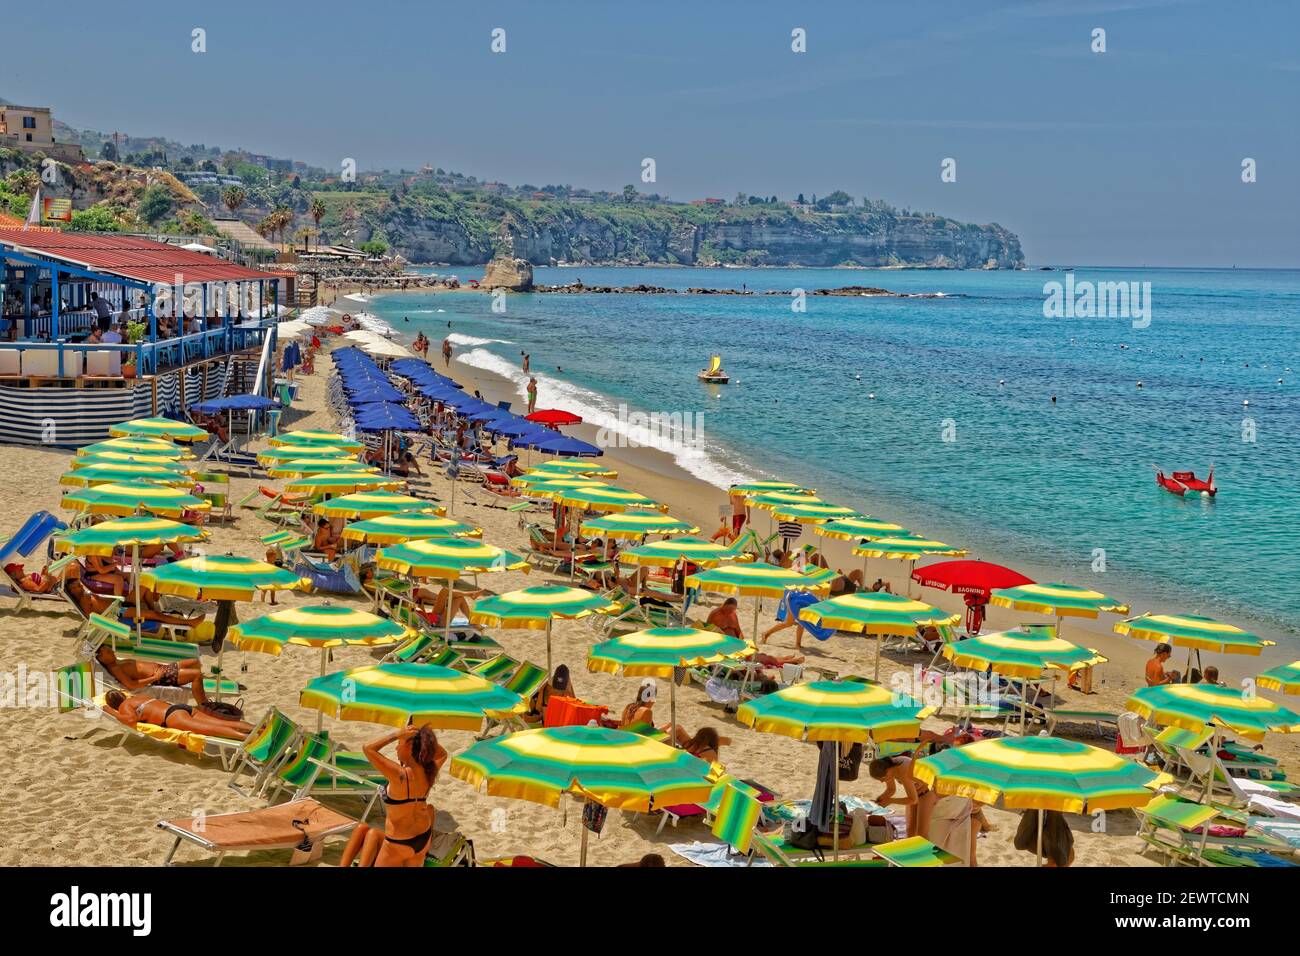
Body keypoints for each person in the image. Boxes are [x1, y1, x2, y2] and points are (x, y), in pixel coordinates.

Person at [340, 725, 447, 867]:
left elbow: (368, 748)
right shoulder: (429, 772)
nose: (396, 748)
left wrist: (396, 735)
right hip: (422, 838)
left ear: (409, 746)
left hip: (399, 841)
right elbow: (443, 754)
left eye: (398, 745)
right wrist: (422, 736)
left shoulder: (400, 775)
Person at [101, 689, 252, 740]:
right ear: (122, 694)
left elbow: (130, 719)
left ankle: (246, 738)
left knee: (213, 729)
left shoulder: (125, 706)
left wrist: (110, 711)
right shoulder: (136, 698)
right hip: (181, 708)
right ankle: (257, 727)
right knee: (220, 722)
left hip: (172, 717)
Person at [868, 741, 939, 838]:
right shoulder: (889, 766)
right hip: (915, 794)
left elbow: (913, 800)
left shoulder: (904, 770)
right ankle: (912, 852)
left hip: (927, 793)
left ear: (888, 771)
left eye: (882, 778)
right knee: (910, 831)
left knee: (921, 834)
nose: (882, 782)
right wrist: (879, 800)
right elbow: (891, 790)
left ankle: (923, 852)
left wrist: (890, 801)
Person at [95, 645, 212, 701]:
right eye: (108, 652)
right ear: (101, 658)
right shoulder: (115, 668)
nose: (112, 651)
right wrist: (154, 677)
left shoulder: (116, 662)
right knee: (196, 674)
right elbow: (131, 685)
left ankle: (198, 691)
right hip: (161, 677)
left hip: (164, 669)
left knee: (194, 662)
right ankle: (204, 705)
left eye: (110, 649)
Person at [413, 583, 485, 627]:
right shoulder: (410, 613)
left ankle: (470, 594)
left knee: (444, 590)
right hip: (438, 623)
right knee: (460, 599)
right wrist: (422, 609)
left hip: (434, 615)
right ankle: (472, 620)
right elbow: (427, 624)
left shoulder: (409, 609)